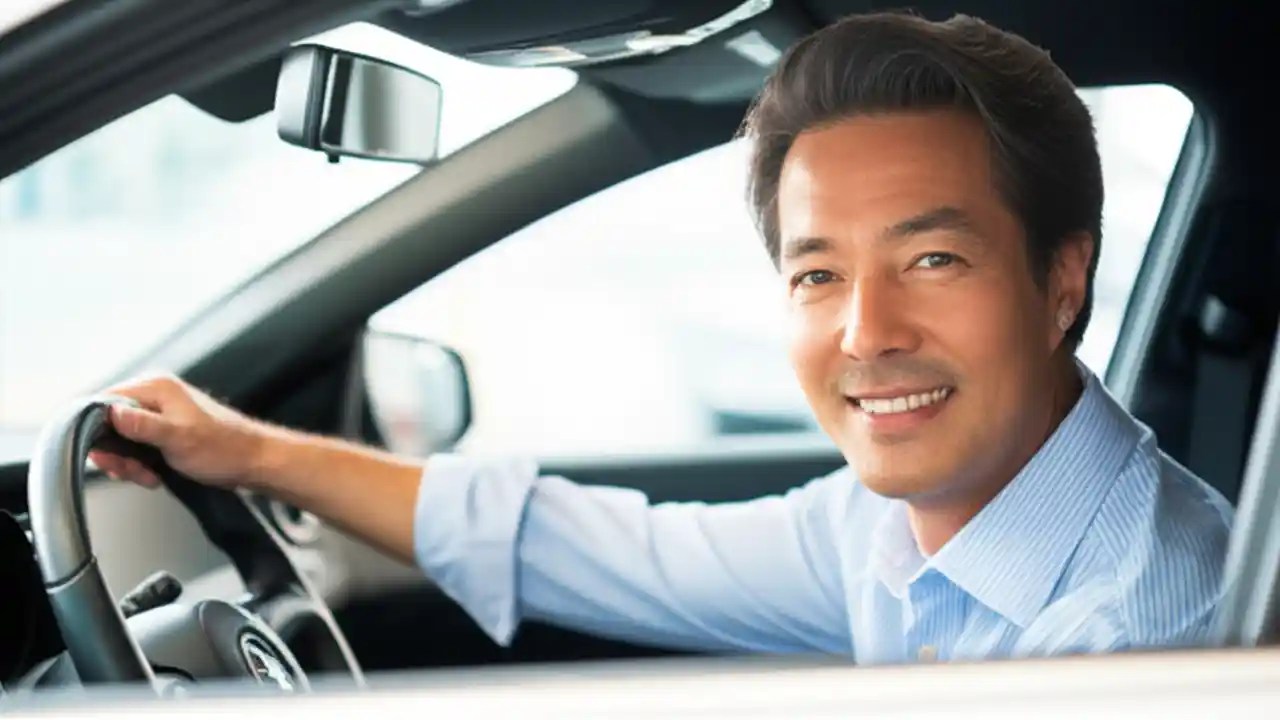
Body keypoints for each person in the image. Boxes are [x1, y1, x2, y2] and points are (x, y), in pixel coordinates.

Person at [91, 12, 1232, 664]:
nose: (865, 332)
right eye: (817, 273)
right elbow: (590, 546)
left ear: (1059, 280)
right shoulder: (887, 528)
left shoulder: (1138, 634)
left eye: (931, 261)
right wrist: (250, 454)